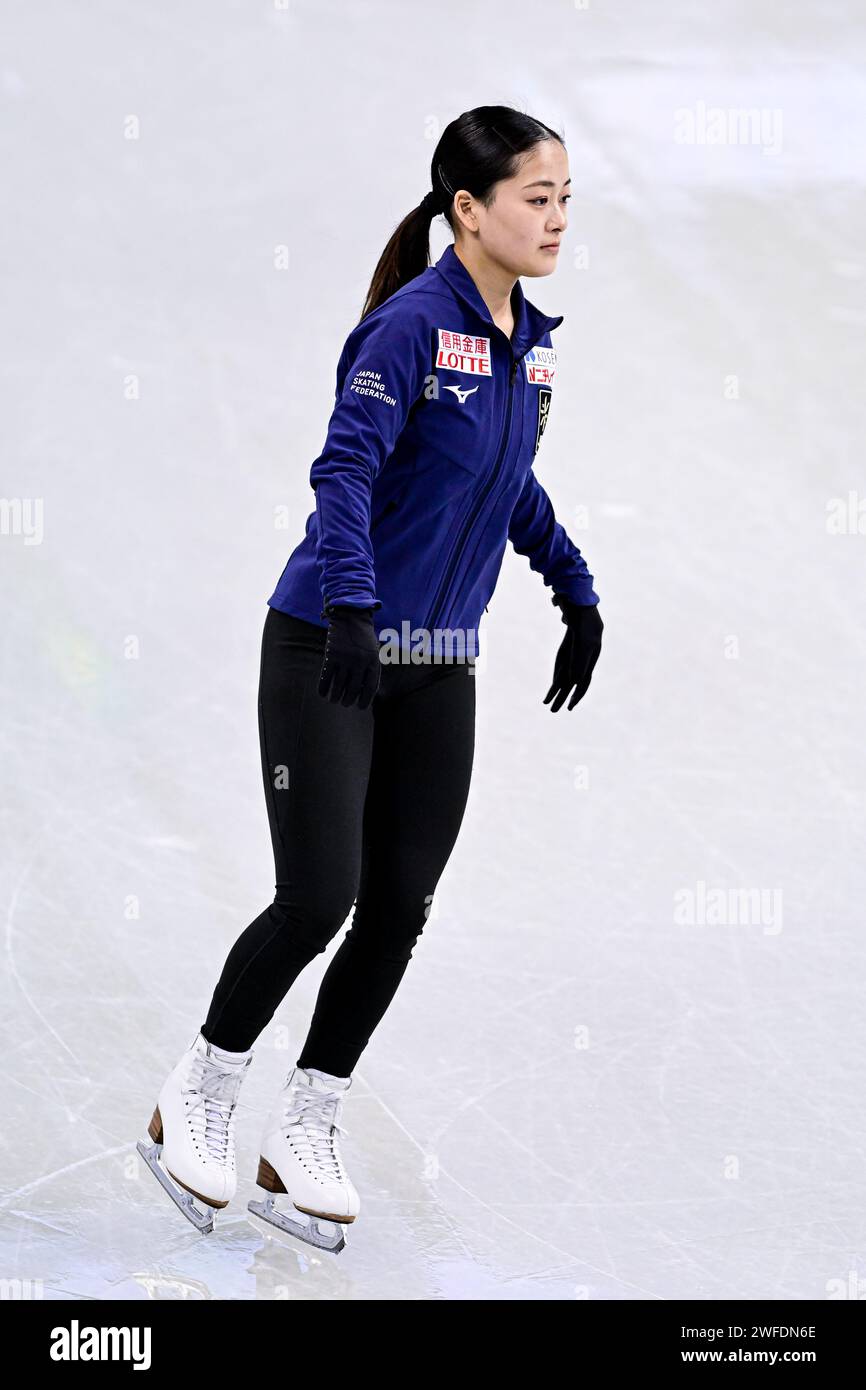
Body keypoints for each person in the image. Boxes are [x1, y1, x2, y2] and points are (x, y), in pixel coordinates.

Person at [137, 104, 604, 1251]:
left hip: (438, 664)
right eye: (532, 199)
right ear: (467, 209)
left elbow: (504, 484)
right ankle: (194, 1093)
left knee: (398, 908)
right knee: (318, 897)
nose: (552, 220)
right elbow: (343, 470)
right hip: (326, 647)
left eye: (561, 201)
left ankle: (306, 1121)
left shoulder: (529, 342)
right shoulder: (406, 328)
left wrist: (573, 588)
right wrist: (350, 602)